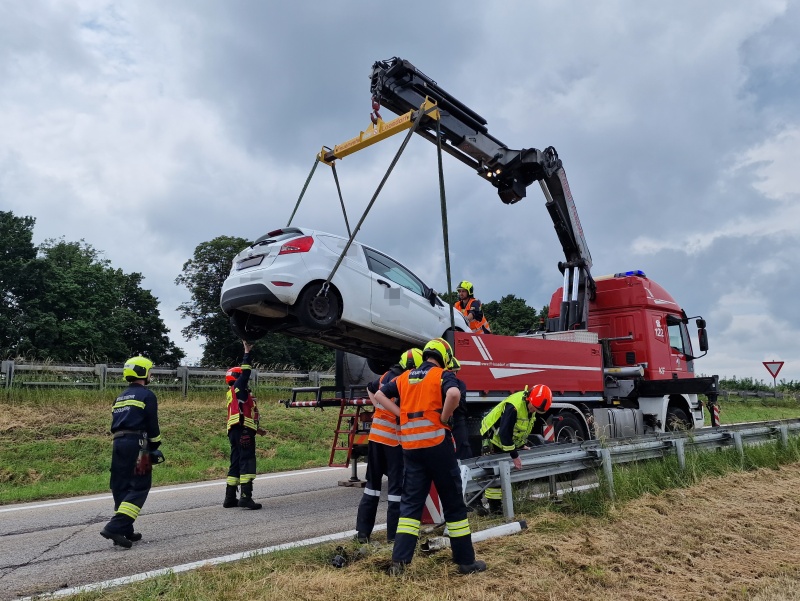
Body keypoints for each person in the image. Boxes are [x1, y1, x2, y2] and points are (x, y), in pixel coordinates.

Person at [373, 338, 486, 576]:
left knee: (411, 505)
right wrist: (444, 418)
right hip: (437, 446)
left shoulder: (404, 377)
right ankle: (466, 562)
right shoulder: (442, 375)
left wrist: (401, 415)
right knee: (453, 503)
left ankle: (399, 563)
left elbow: (380, 395)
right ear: (444, 356)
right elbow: (454, 395)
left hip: (411, 448)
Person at [355, 347, 423, 544]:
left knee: (372, 487)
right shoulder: (405, 381)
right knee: (395, 490)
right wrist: (400, 414)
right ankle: (393, 537)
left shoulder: (386, 376)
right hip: (394, 441)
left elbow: (371, 387)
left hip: (376, 438)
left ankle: (362, 533)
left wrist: (379, 407)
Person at [100, 356, 163, 549]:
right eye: (150, 371)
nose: (151, 374)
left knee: (121, 485)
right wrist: (155, 446)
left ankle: (126, 529)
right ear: (143, 372)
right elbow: (152, 423)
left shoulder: (120, 397)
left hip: (118, 443)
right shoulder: (147, 395)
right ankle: (115, 526)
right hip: (139, 444)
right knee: (140, 486)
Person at [479, 384, 552, 513]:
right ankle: (494, 508)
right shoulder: (514, 407)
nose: (534, 411)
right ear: (529, 399)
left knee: (500, 472)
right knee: (494, 473)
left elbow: (518, 428)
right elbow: (504, 434)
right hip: (492, 436)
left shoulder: (529, 407)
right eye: (534, 408)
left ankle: (494, 505)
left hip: (502, 437)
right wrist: (515, 455)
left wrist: (520, 445)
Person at [224, 340, 267, 510]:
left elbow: (243, 414)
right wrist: (247, 352)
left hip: (235, 431)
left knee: (235, 462)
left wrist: (257, 430)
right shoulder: (238, 387)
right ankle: (245, 497)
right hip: (243, 432)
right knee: (247, 462)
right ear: (237, 377)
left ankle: (229, 498)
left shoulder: (234, 394)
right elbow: (247, 371)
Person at [448, 356, 473, 461]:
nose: (453, 374)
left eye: (455, 372)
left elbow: (458, 402)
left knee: (463, 448)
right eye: (451, 372)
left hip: (458, 420)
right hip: (444, 421)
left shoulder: (460, 384)